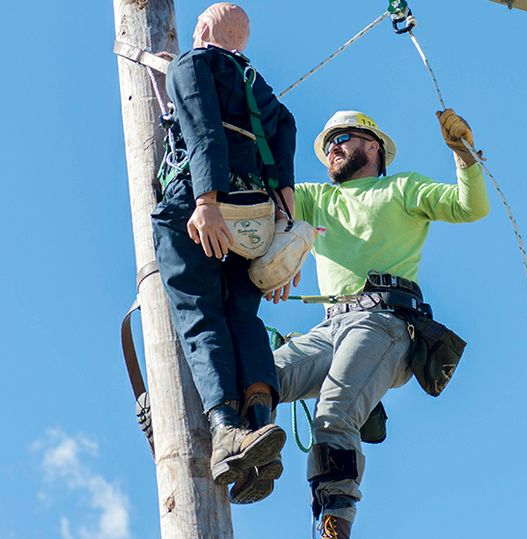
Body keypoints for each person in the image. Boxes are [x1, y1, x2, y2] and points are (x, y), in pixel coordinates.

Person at [254, 109, 489, 537]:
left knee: (334, 411)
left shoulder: (402, 188)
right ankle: (249, 453)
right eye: (327, 144)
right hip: (329, 328)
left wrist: (464, 156)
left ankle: (335, 520)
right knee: (260, 377)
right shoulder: (314, 198)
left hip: (384, 321)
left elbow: (469, 207)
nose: (332, 149)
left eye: (342, 138)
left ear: (372, 146)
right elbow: (268, 197)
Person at [151, 2, 298, 503]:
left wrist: (206, 201)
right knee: (243, 318)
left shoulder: (193, 64)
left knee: (200, 315)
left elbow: (203, 132)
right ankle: (261, 424)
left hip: (200, 211)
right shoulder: (258, 85)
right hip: (253, 221)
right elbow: (287, 127)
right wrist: (284, 222)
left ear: (206, 29)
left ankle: (226, 432)